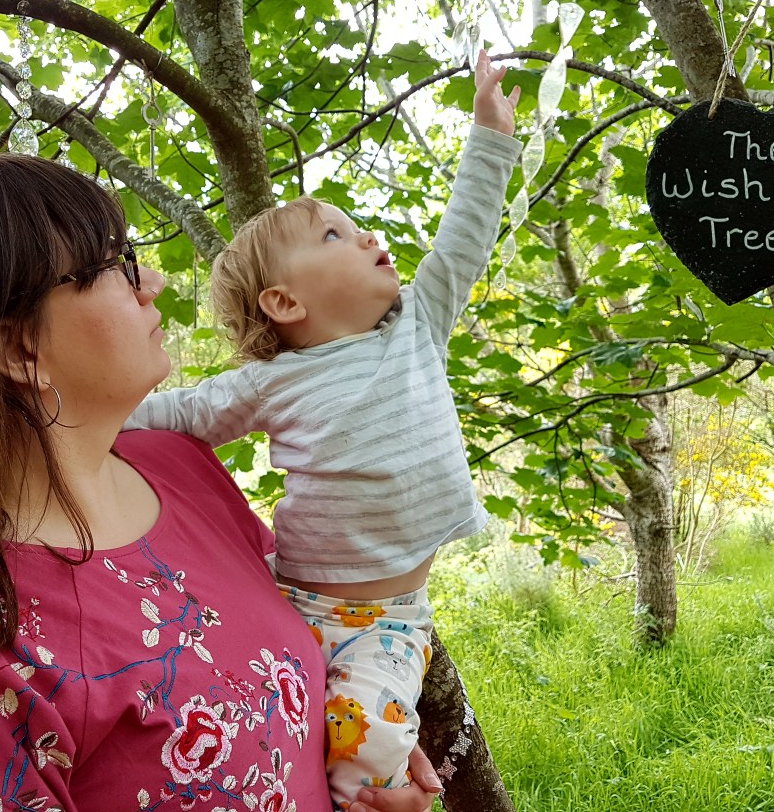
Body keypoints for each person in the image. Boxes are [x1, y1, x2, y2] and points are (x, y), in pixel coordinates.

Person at [0, 153, 443, 812]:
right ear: (18, 348)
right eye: (115, 266)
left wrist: (359, 754)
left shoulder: (178, 467)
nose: (152, 281)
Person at [124, 50, 521, 809]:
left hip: (393, 619)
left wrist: (489, 138)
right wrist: (71, 415)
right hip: (294, 600)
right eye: (335, 236)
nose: (368, 235)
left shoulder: (416, 325)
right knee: (299, 730)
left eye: (359, 225)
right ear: (283, 302)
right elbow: (178, 414)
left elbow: (464, 237)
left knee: (370, 745)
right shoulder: (273, 383)